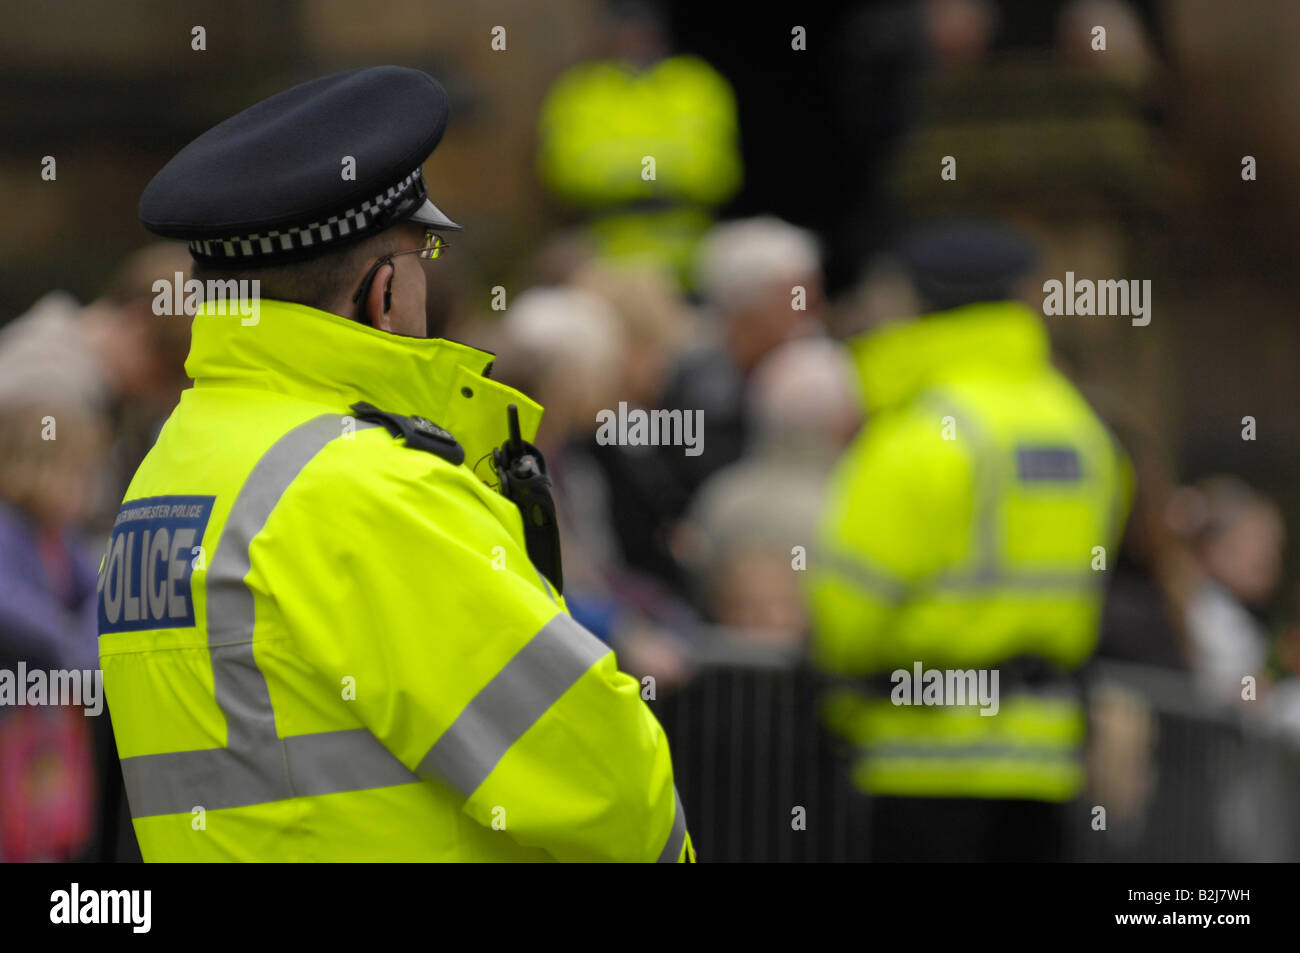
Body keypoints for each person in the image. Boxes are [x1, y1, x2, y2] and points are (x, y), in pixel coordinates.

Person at [98, 66, 692, 862]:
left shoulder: (170, 470)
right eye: (422, 255)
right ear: (382, 292)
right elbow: (613, 787)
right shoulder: (368, 488)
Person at [804, 219, 1131, 862]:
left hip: (918, 758)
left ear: (920, 306)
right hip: (1043, 756)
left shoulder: (919, 434)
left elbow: (847, 613)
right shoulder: (1081, 428)